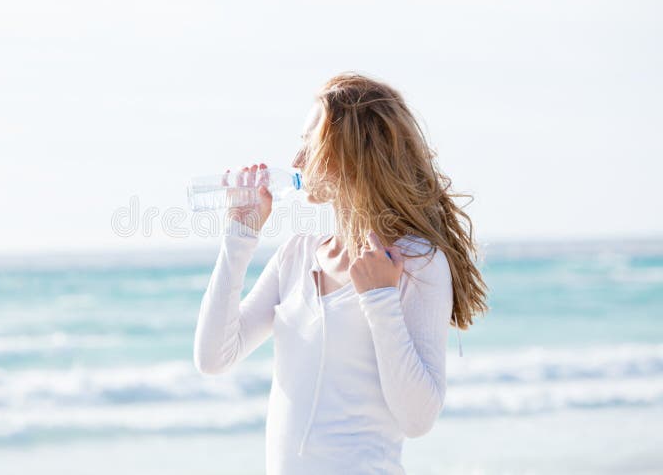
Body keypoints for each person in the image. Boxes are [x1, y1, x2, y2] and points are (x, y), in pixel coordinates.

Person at [193, 71, 489, 474]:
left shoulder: (416, 262)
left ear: (348, 152)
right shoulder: (297, 255)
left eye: (307, 145)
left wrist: (379, 298)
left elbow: (417, 420)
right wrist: (240, 235)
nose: (296, 161)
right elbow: (213, 357)